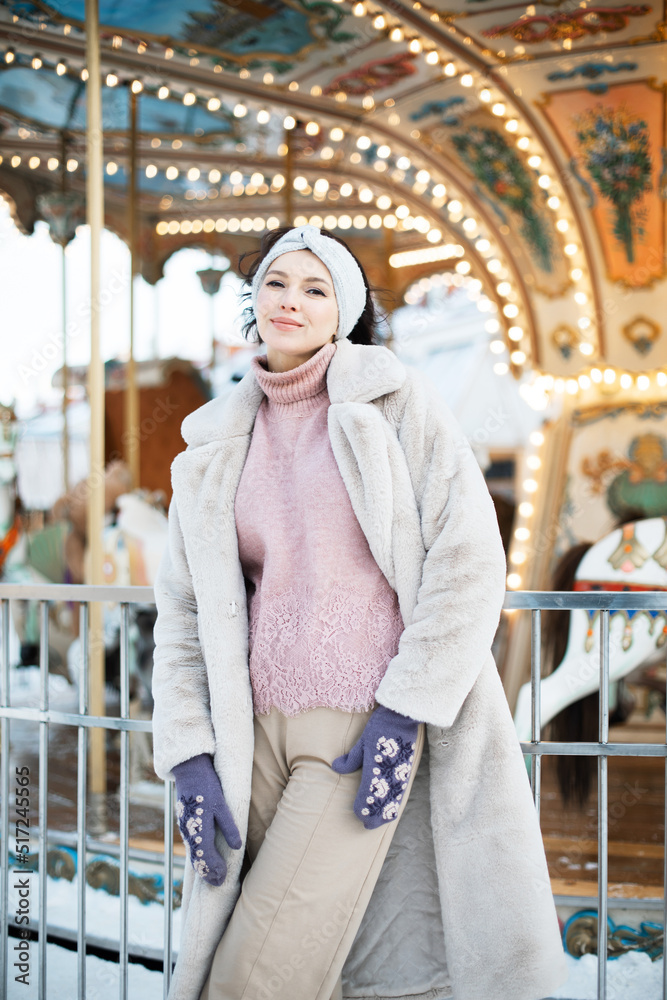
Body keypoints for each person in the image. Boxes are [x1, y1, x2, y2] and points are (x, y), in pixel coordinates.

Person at [151, 224, 567, 1000]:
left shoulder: (396, 404)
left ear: (343, 312)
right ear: (254, 296)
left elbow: (468, 555)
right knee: (314, 970)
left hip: (352, 734)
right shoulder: (214, 441)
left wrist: (401, 710)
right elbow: (181, 611)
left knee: (251, 978)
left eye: (316, 289)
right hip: (249, 739)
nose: (292, 302)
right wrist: (186, 750)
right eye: (277, 283)